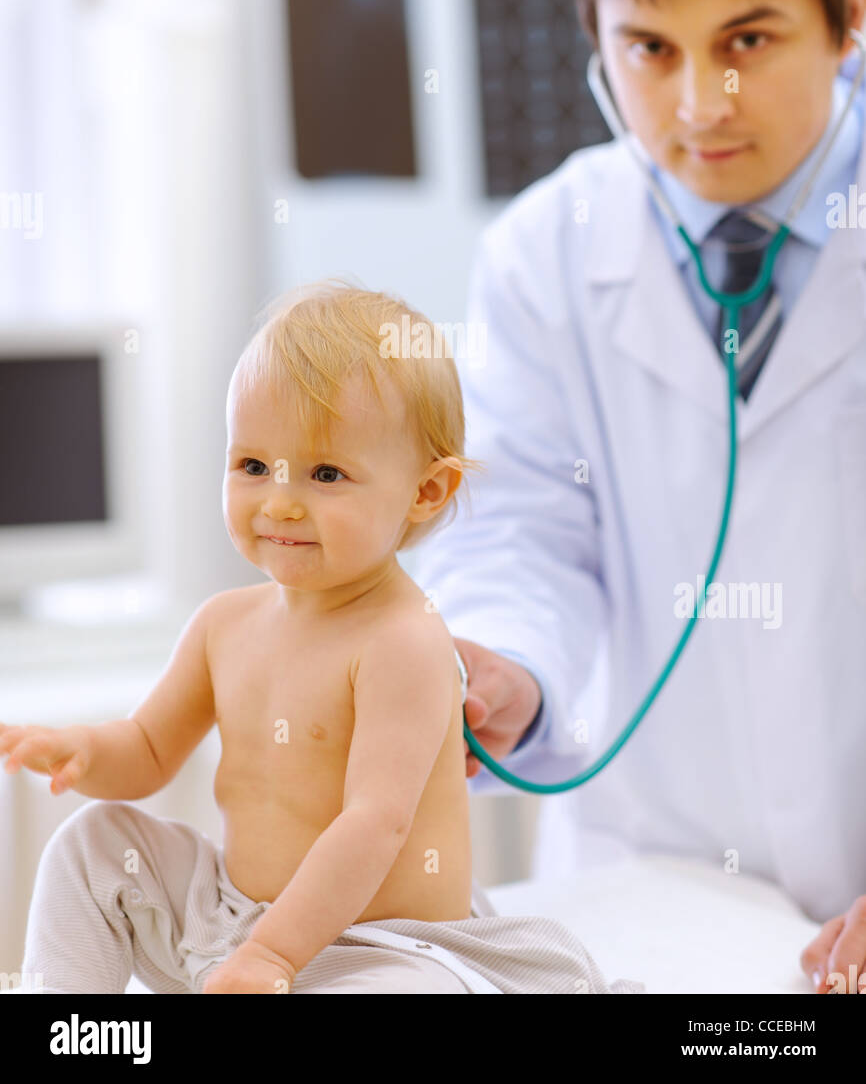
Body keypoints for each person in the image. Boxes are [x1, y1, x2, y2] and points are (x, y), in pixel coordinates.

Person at [409, 0, 866, 995]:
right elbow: (520, 527)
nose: (700, 102)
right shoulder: (544, 252)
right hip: (656, 890)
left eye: (746, 39)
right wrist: (505, 667)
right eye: (650, 49)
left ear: (848, 16)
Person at [3, 283, 642, 995]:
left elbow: (375, 824)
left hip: (381, 948)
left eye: (326, 473)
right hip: (230, 923)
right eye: (253, 466)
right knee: (94, 842)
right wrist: (85, 751)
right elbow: (148, 751)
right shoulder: (222, 625)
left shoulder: (403, 643)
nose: (279, 502)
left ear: (426, 492)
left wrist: (275, 958)